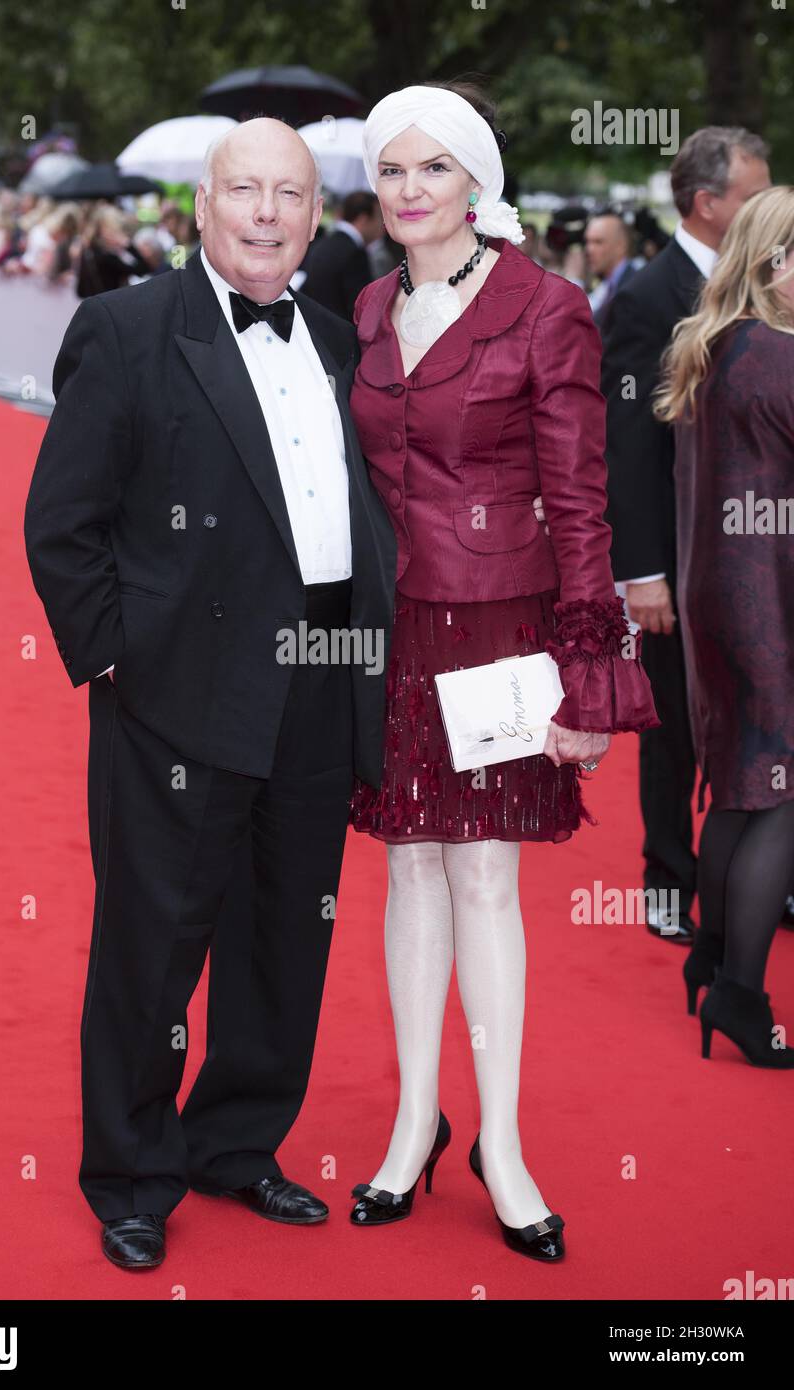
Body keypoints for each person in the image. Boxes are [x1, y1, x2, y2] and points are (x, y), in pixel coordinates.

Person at [24, 116, 397, 1270]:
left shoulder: (337, 340)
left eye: (291, 195)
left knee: (288, 933)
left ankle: (238, 1144)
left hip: (322, 684)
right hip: (178, 695)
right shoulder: (127, 330)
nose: (270, 215)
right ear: (202, 205)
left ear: (315, 214)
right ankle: (134, 1171)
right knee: (155, 939)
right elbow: (62, 522)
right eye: (246, 191)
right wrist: (122, 661)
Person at [346, 80, 659, 1259]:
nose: (411, 190)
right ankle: (410, 1125)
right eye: (392, 170)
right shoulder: (367, 307)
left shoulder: (547, 306)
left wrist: (589, 669)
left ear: (477, 180)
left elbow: (582, 500)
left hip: (498, 622)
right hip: (391, 625)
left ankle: (504, 1144)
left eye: (434, 168)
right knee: (406, 871)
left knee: (482, 878)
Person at [602, 128, 771, 943]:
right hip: (681, 558)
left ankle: (760, 879)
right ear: (709, 205)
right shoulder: (644, 300)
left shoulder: (770, 288)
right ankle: (667, 881)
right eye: (754, 196)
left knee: (762, 722)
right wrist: (641, 573)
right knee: (673, 729)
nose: (770, 213)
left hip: (764, 560)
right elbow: (629, 447)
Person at [652, 184, 794, 1068]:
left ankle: (711, 953)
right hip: (770, 600)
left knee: (743, 778)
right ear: (776, 262)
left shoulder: (713, 345)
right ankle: (741, 992)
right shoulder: (778, 356)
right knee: (783, 787)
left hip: (719, 593)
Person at [297, 191, 384, 318]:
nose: (382, 225)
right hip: (339, 331)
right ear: (363, 219)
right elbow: (360, 307)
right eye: (379, 218)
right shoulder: (354, 253)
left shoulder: (321, 243)